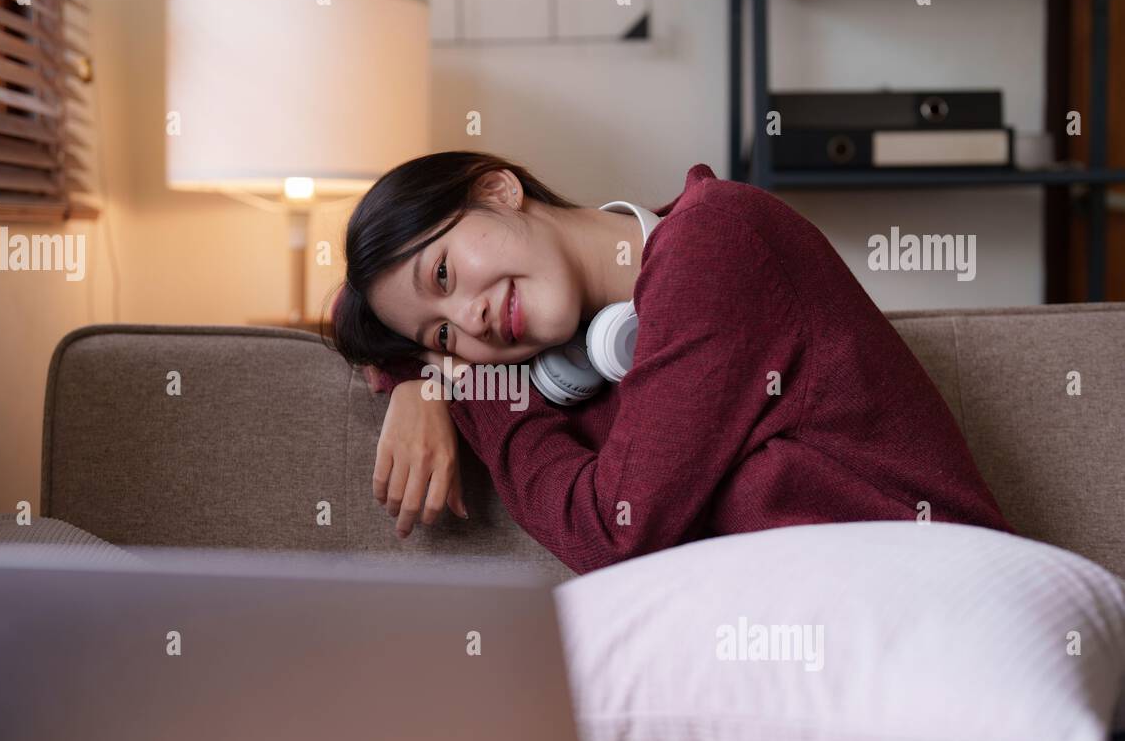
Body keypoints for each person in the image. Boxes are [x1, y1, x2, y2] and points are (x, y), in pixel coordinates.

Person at [328, 150, 1011, 575]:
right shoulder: (571, 371)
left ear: (498, 189)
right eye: (442, 337)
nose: (469, 322)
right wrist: (416, 381)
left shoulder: (717, 240)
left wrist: (470, 388)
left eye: (443, 273)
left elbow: (613, 534)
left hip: (941, 602)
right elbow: (354, 316)